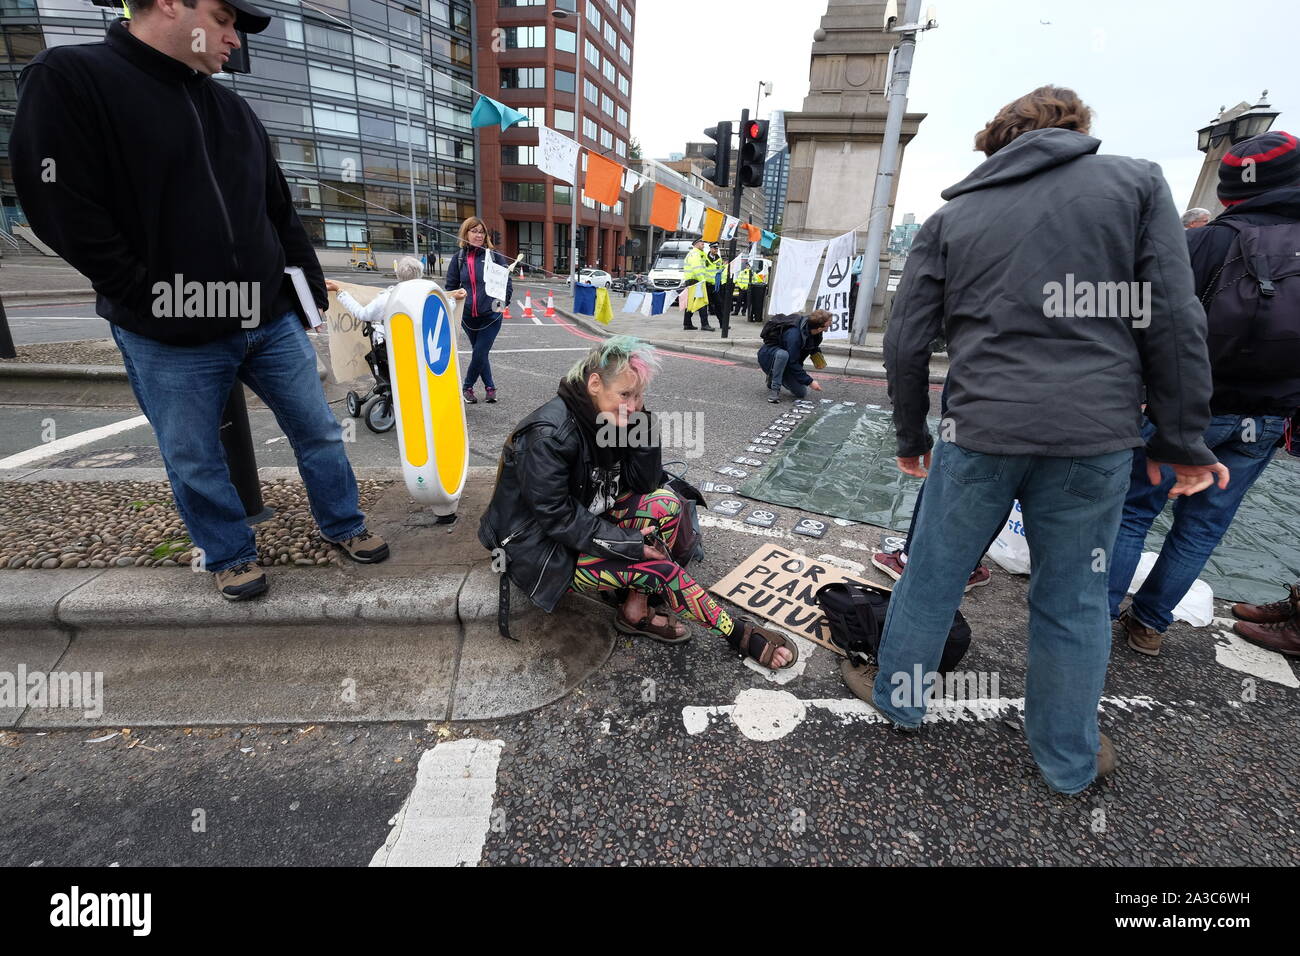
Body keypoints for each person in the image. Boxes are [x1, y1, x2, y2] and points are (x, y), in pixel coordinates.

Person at [871, 86, 1225, 795]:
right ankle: (1066, 758)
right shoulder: (1135, 184)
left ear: (997, 140)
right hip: (1092, 438)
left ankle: (900, 701)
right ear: (1077, 130)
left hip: (980, 430)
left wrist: (912, 433)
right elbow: (1173, 318)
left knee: (933, 576)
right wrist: (1183, 439)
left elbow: (906, 342)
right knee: (1073, 598)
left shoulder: (953, 215)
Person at [10, 0, 389, 602]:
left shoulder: (231, 106)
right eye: (223, 18)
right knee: (193, 453)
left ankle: (344, 523)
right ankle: (229, 554)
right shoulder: (72, 77)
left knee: (318, 430)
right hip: (166, 328)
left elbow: (278, 208)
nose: (234, 38)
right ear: (168, 4)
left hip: (266, 317)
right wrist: (143, 295)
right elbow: (60, 205)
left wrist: (305, 293)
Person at [478, 336, 798, 668]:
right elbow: (558, 518)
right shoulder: (549, 435)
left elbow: (645, 482)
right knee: (655, 566)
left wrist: (642, 422)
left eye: (639, 395)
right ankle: (737, 633)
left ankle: (635, 609)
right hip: (541, 548)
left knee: (666, 503)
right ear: (594, 383)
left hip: (584, 519)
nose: (631, 405)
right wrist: (630, 543)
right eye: (625, 395)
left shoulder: (615, 416)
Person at [1109, 130, 1300, 657]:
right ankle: (1149, 624)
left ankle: (1099, 613)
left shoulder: (1204, 242)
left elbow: (1144, 322)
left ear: (1228, 192)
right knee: (1204, 527)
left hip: (1183, 408)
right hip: (1264, 419)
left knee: (1131, 513)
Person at [444, 216, 513, 405]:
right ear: (465, 233)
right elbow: (450, 286)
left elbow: (506, 283)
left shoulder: (494, 256)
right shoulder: (459, 258)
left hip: (490, 316)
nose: (478, 235)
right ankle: (490, 388)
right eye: (474, 231)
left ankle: (466, 386)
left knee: (480, 352)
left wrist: (502, 306)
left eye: (481, 231)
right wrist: (456, 296)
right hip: (468, 317)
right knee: (479, 353)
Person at [326, 255, 424, 329]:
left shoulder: (387, 298)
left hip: (393, 350)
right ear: (420, 275)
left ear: (398, 275)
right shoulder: (426, 296)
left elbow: (362, 314)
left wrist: (339, 291)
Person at [758, 310, 830, 403]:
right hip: (769, 356)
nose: (831, 324)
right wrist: (810, 381)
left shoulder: (815, 331)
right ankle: (774, 391)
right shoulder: (794, 335)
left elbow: (813, 345)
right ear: (820, 328)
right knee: (783, 355)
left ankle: (774, 375)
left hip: (787, 360)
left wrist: (818, 358)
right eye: (829, 323)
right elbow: (792, 362)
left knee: (801, 393)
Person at [681, 238, 713, 331]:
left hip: (693, 281)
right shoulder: (695, 254)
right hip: (696, 281)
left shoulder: (698, 254)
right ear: (696, 244)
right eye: (701, 243)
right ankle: (704, 324)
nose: (703, 244)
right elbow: (697, 269)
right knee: (702, 302)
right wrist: (702, 280)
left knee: (691, 303)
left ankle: (687, 324)